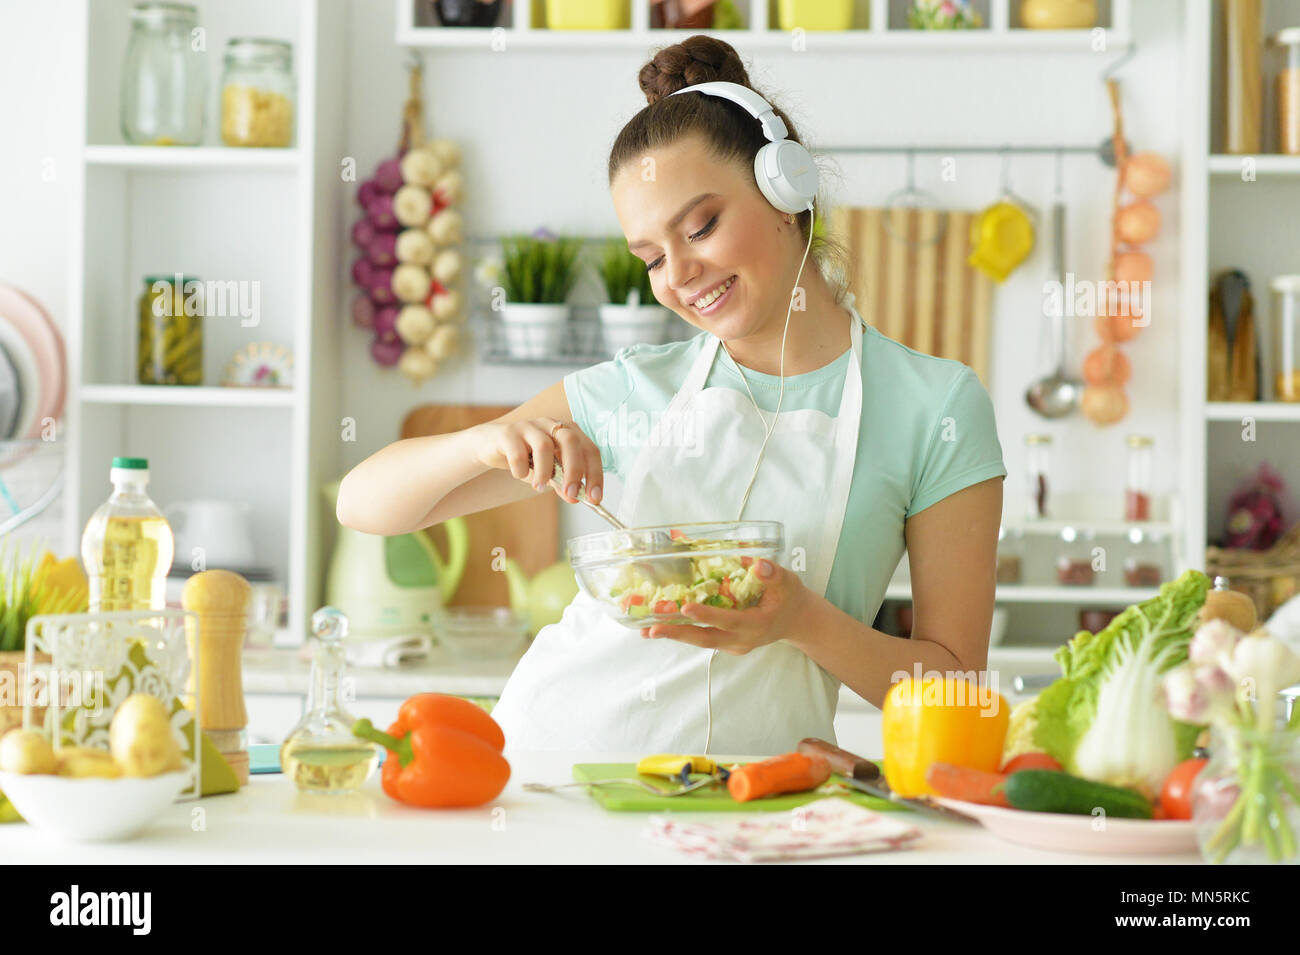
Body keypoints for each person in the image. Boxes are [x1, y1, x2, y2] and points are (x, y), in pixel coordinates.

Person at [337, 36, 1007, 754]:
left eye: (702, 226)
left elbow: (955, 687)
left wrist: (800, 618)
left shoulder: (933, 407)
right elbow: (364, 505)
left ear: (787, 192)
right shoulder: (636, 386)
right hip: (557, 774)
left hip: (750, 809)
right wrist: (482, 442)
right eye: (652, 257)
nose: (680, 274)